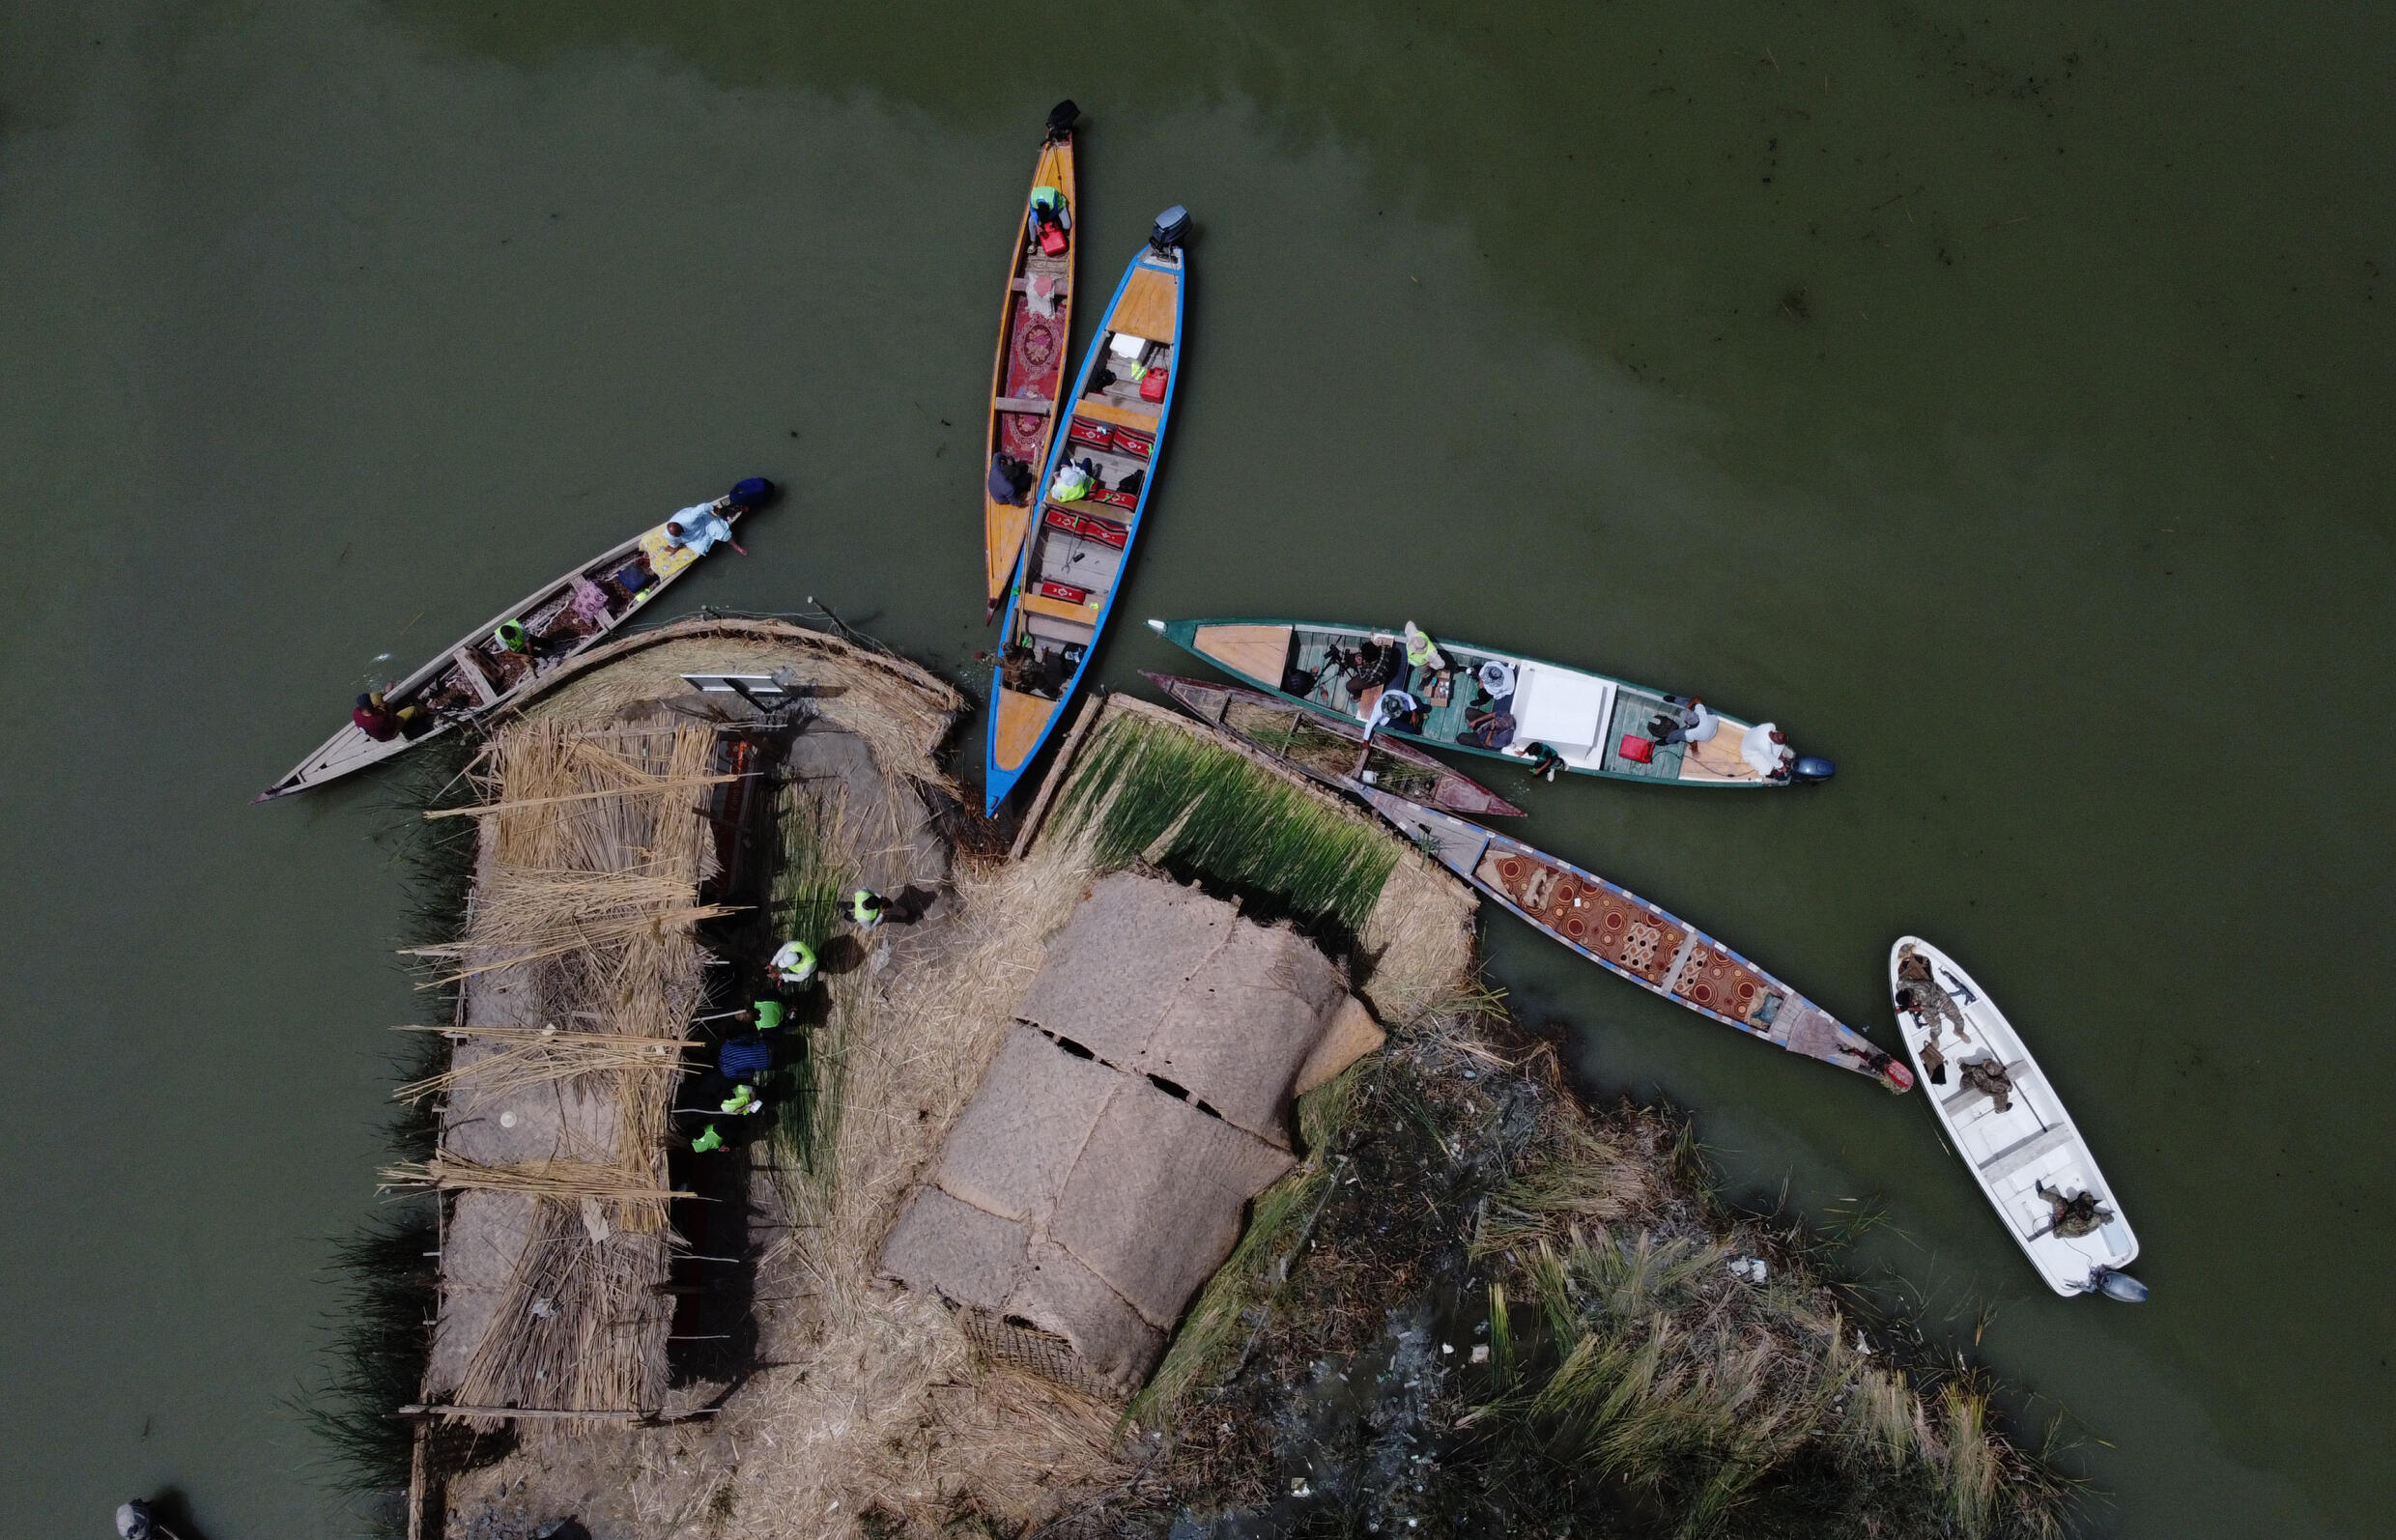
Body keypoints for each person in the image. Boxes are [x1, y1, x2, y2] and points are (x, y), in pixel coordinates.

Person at [2035, 1181, 2114, 1239]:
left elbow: (2056, 1234)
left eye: (2083, 1211)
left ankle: (2041, 1194)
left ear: (2079, 1214)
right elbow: (2107, 1219)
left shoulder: (2068, 1224)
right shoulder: (2096, 1218)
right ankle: (2079, 1201)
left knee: (2059, 1201)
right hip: (2076, 1218)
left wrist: (2057, 1228)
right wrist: (2109, 1217)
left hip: (2065, 1219)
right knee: (2087, 1196)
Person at [665, 502, 746, 556]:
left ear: (680, 526)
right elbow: (674, 543)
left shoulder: (689, 517)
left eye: (680, 532)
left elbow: (703, 507)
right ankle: (709, 539)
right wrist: (675, 548)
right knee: (701, 550)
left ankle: (736, 546)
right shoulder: (669, 536)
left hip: (704, 522)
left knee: (723, 533)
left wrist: (716, 509)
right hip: (692, 538)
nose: (680, 534)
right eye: (677, 535)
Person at [1652, 698, 1720, 748]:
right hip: (1713, 722)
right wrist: (1689, 706)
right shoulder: (1701, 713)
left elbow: (1693, 742)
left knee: (1674, 735)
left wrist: (1695, 751)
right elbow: (1698, 699)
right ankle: (1674, 699)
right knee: (1693, 704)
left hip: (1707, 738)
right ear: (1695, 714)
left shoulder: (1688, 734)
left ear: (1686, 722)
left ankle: (1667, 741)